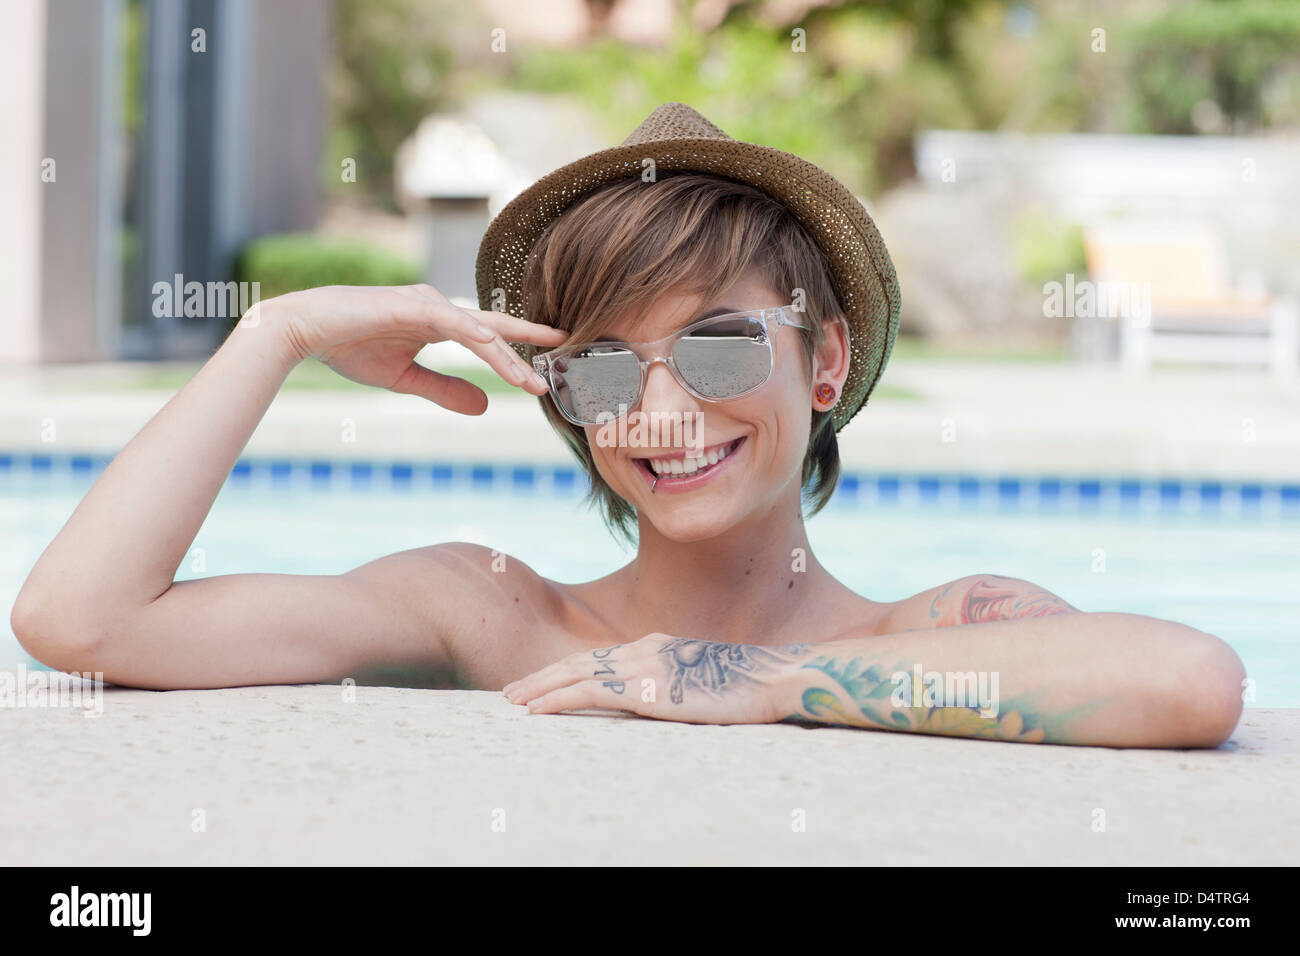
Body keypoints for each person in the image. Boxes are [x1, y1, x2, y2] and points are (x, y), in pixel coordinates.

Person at [12, 103, 1244, 747]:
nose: (658, 413)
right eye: (601, 370)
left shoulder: (923, 629)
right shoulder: (492, 615)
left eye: (715, 343)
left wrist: (762, 680)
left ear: (823, 360)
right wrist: (270, 335)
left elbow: (1189, 680)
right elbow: (82, 619)